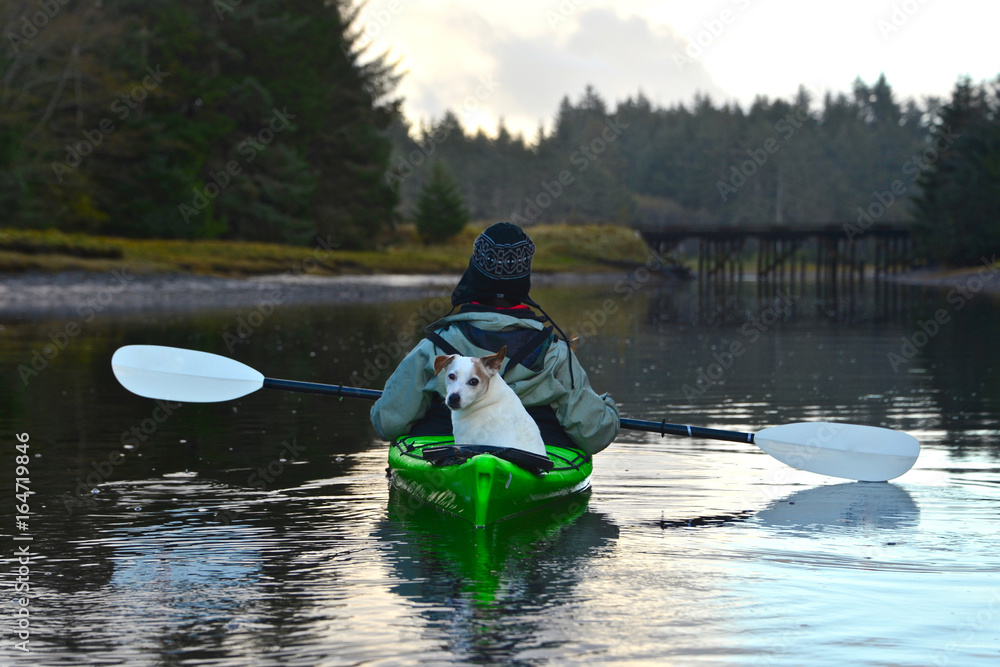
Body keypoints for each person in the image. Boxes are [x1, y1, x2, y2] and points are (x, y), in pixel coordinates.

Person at [370, 222, 620, 456]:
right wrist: (606, 405)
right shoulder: (554, 352)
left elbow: (388, 423)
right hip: (529, 457)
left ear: (476, 274)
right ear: (523, 281)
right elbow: (593, 435)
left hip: (444, 454)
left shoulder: (435, 346)